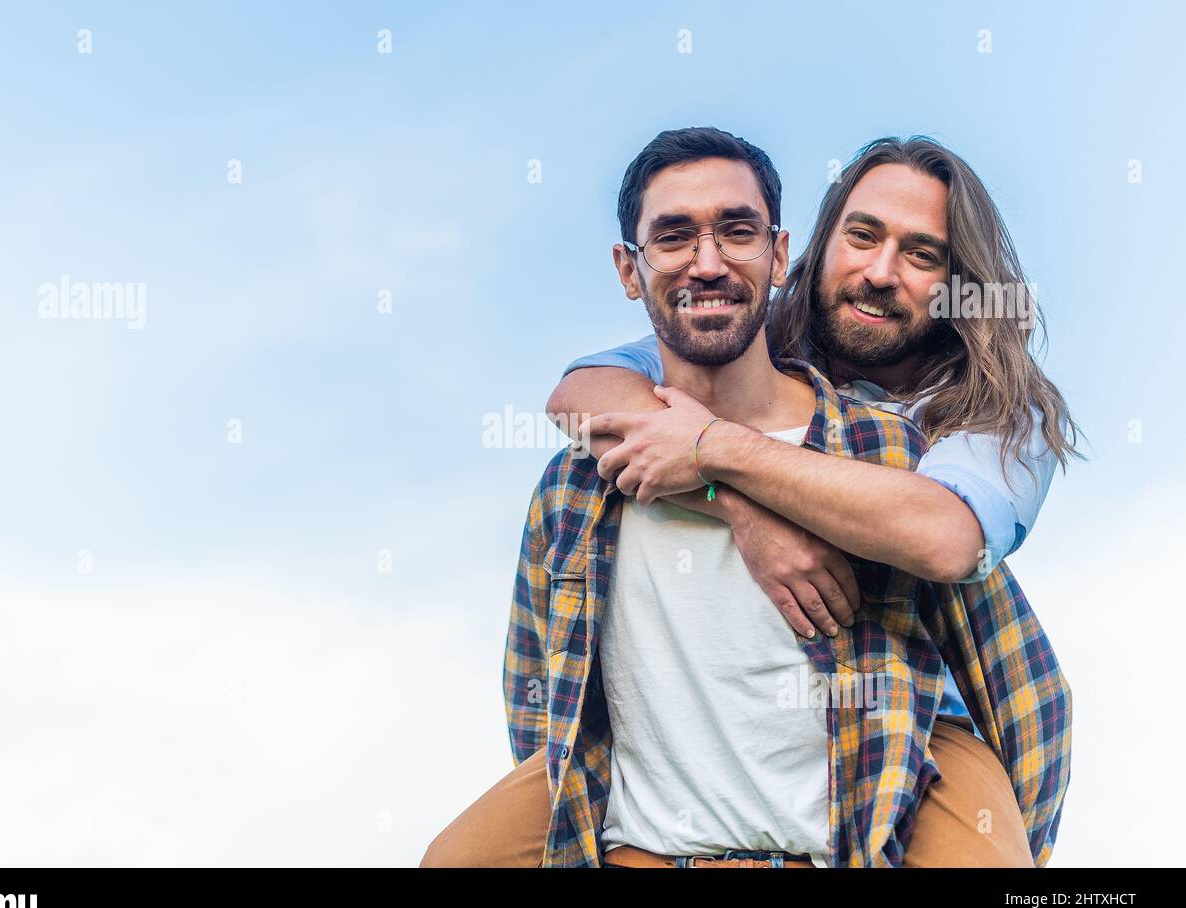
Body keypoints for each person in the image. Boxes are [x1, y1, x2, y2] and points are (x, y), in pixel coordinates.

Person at [421, 128, 1072, 868]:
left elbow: (943, 536)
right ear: (811, 251)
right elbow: (584, 397)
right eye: (861, 236)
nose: (881, 272)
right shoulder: (745, 324)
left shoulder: (1000, 413)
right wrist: (743, 508)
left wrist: (719, 451)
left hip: (919, 711)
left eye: (923, 255)